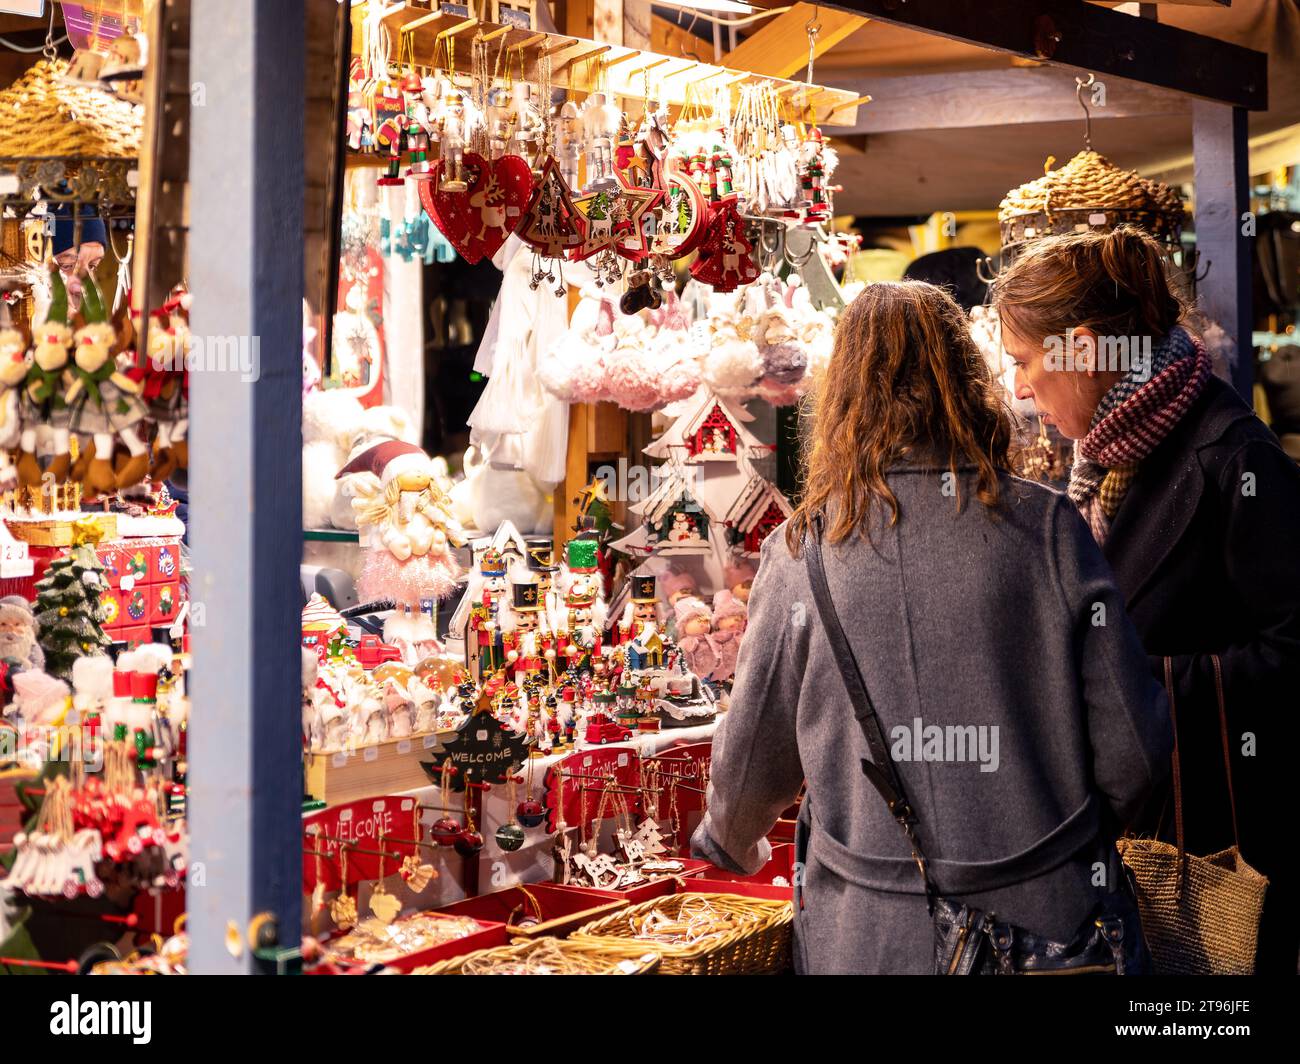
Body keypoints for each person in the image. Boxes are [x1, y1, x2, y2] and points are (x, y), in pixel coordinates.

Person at [691, 281, 1171, 974]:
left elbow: (750, 767)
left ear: (843, 399)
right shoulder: (1048, 531)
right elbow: (1136, 750)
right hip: (1052, 933)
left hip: (868, 940)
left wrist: (727, 843)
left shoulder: (801, 552)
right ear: (966, 383)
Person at [995, 225, 1300, 974]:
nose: (1020, 388)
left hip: (1222, 854)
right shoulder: (1109, 463)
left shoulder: (1234, 458)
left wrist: (1127, 684)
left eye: (1026, 362)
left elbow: (1292, 656)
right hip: (1144, 839)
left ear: (1088, 349)